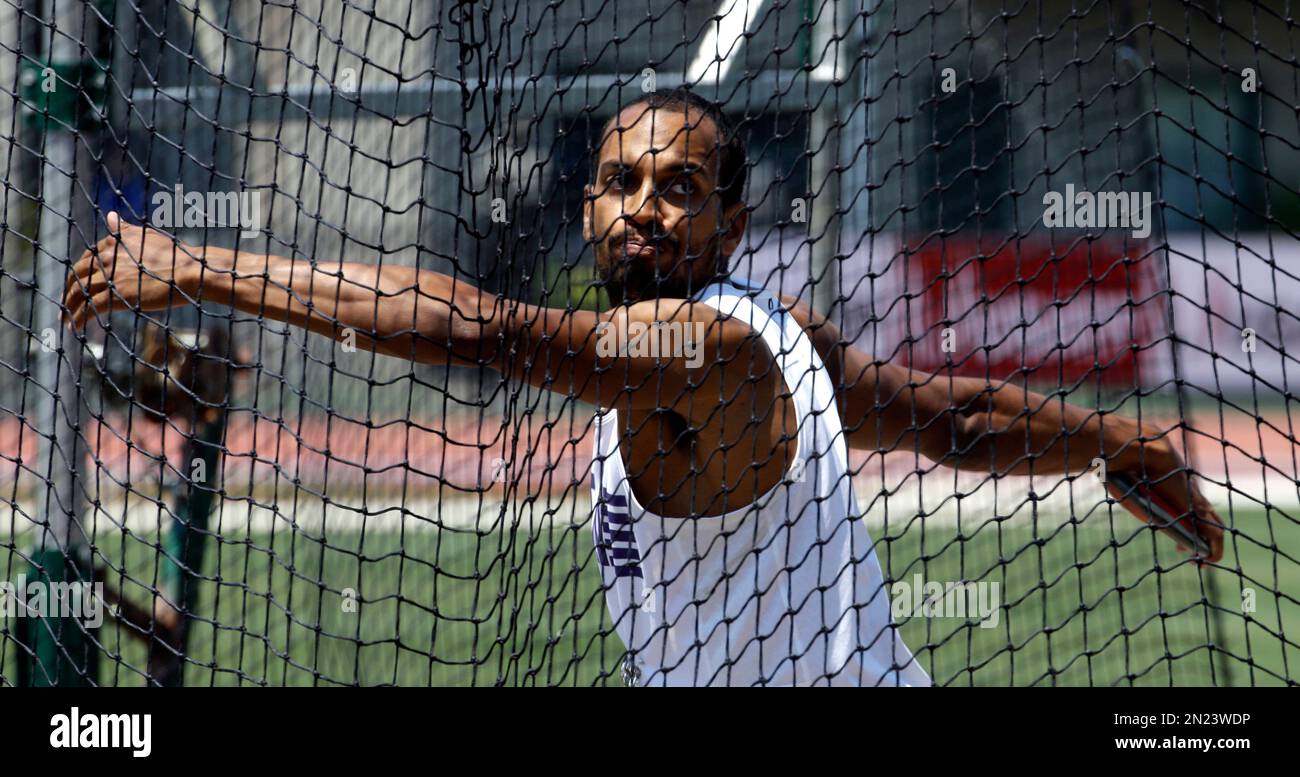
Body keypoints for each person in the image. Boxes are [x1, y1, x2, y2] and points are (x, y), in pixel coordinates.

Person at [63, 86, 1225, 686]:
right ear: (587, 209)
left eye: (680, 185)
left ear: (730, 219)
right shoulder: (785, 336)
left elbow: (479, 331)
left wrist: (199, 266)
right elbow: (950, 419)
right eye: (621, 180)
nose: (644, 205)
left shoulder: (705, 352)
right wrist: (1118, 447)